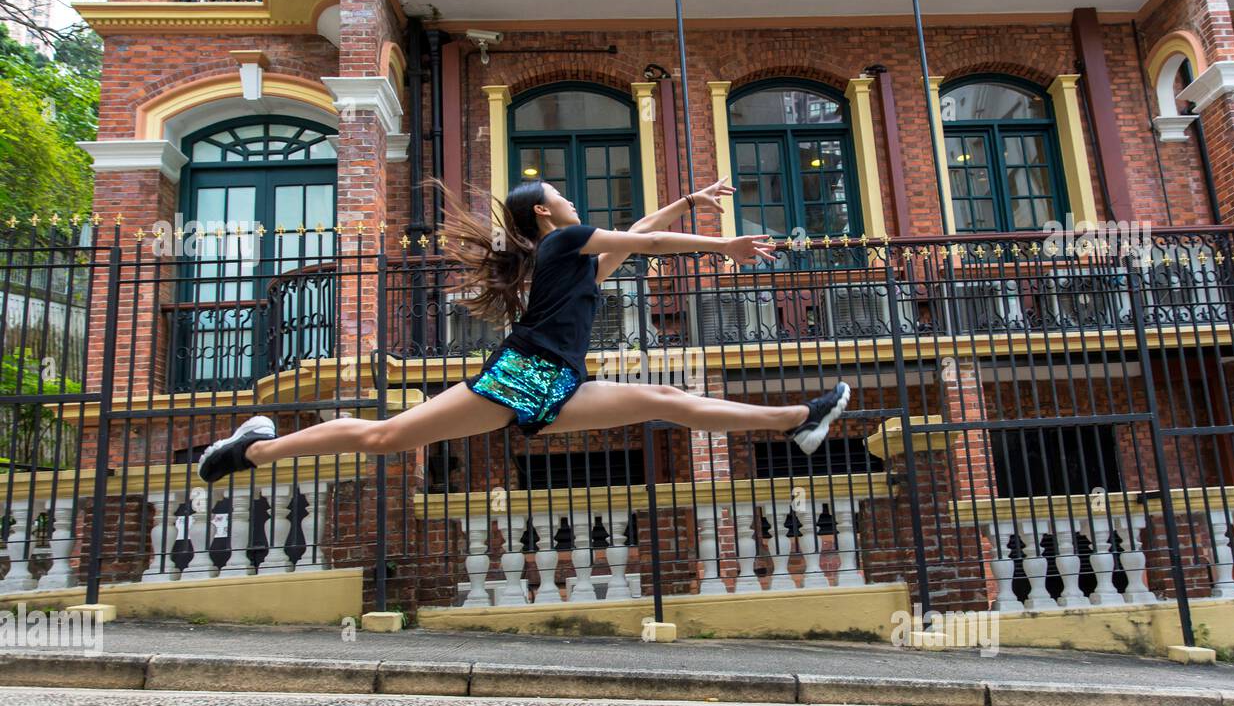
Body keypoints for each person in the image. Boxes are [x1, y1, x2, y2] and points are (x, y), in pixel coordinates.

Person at [197, 177, 851, 484]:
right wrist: (721, 246)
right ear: (547, 213)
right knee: (386, 435)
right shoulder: (565, 241)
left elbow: (637, 236)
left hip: (558, 382)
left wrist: (684, 204)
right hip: (526, 373)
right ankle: (252, 449)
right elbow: (643, 244)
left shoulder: (574, 263)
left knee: (666, 400)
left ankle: (798, 419)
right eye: (562, 194)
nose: (572, 200)